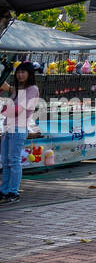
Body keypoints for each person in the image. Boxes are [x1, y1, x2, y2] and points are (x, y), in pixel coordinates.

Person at [1, 62, 40, 204]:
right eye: (18, 72)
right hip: (7, 127)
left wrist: (5, 108)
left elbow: (18, 109)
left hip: (19, 128)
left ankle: (13, 191)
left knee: (13, 161)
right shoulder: (19, 90)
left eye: (23, 72)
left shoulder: (32, 89)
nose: (20, 74)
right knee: (5, 162)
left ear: (29, 74)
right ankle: (4, 190)